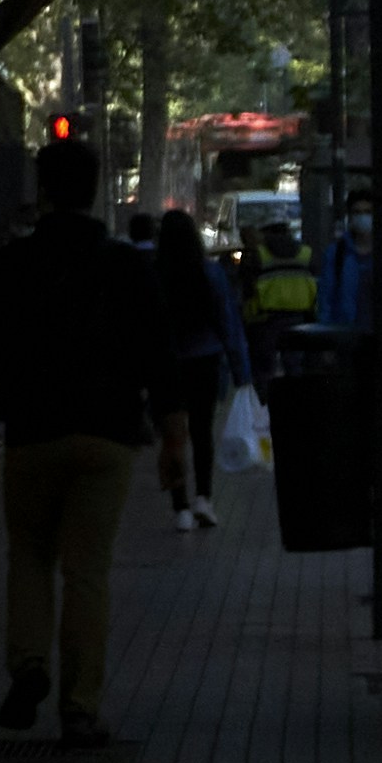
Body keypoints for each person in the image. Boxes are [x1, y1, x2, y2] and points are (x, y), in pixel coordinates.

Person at [0, 139, 188, 744]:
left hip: (33, 434)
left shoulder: (13, 264)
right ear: (95, 188)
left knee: (29, 555)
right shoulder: (126, 266)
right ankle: (80, 705)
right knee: (88, 571)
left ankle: (29, 663)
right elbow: (159, 355)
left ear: (44, 191)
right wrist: (173, 436)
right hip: (108, 437)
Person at [149, 202, 253, 532]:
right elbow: (227, 321)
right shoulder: (210, 272)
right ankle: (204, 499)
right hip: (205, 361)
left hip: (166, 365)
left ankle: (179, 505)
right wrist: (241, 371)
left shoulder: (155, 274)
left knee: (172, 435)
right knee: (202, 432)